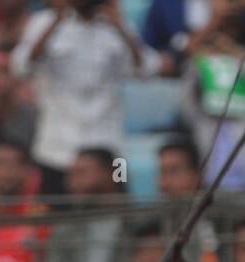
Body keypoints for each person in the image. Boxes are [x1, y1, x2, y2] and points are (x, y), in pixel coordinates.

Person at [11, 0, 150, 195]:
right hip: (56, 148)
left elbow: (146, 71)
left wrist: (119, 26)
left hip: (109, 146)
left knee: (119, 212)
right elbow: (21, 67)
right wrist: (57, 20)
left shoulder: (119, 24)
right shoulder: (42, 22)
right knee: (60, 217)